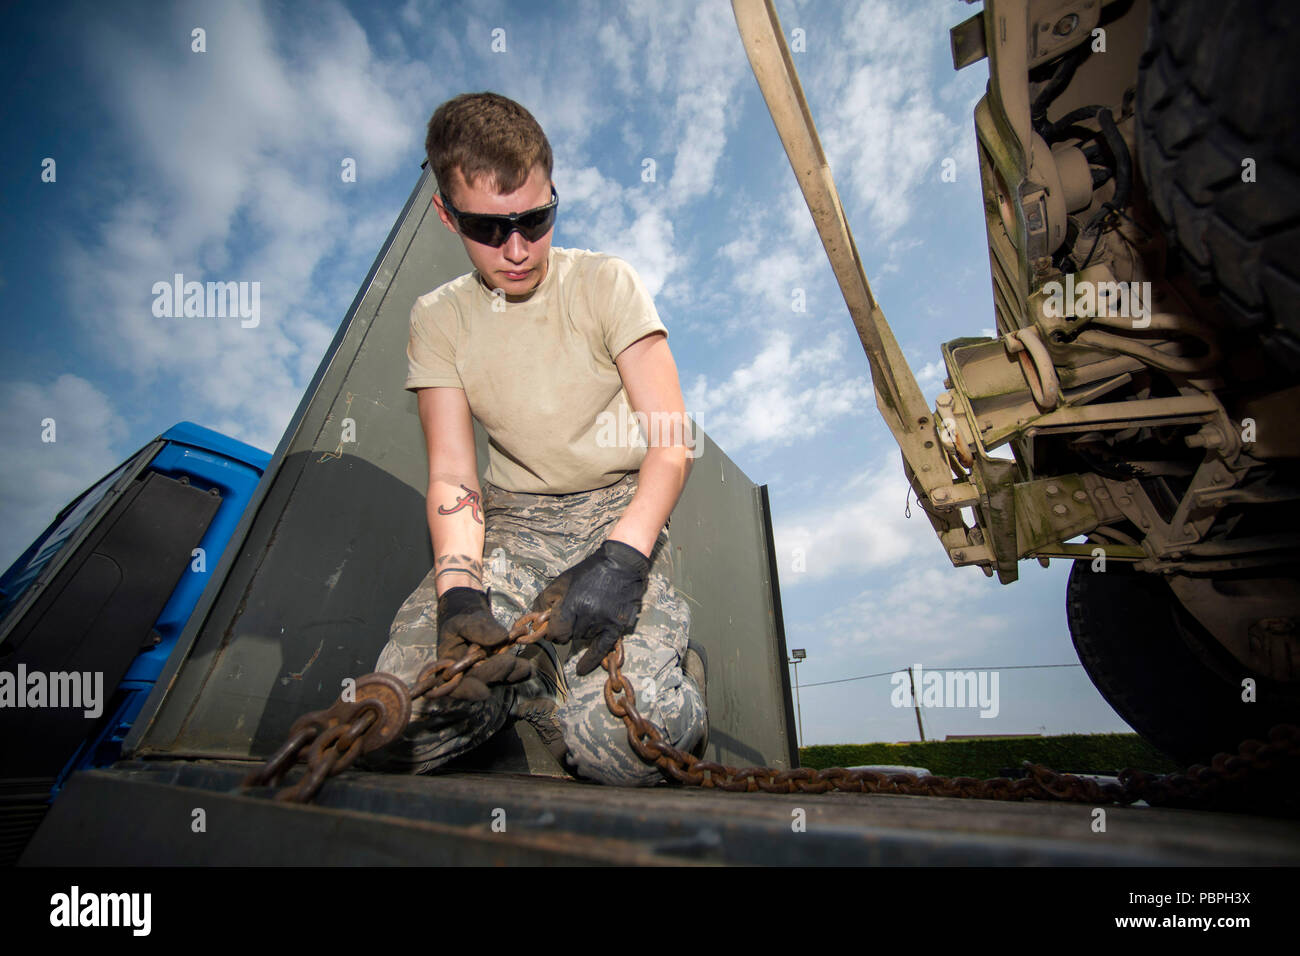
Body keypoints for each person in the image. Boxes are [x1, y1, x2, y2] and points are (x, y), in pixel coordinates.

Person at [367, 91, 707, 786]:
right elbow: (456, 476)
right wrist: (460, 595)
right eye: (489, 230)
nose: (518, 251)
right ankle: (511, 694)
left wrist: (621, 560)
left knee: (623, 748)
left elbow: (671, 440)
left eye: (536, 219)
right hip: (513, 527)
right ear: (445, 213)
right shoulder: (438, 320)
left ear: (553, 194)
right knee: (401, 722)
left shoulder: (606, 284)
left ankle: (672, 679)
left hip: (616, 519)